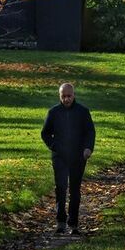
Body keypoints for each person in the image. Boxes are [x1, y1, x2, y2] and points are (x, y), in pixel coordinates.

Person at [41, 83, 96, 235]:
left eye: (69, 96)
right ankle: (60, 222)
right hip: (60, 157)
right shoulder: (53, 112)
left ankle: (74, 224)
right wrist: (54, 146)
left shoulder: (83, 112)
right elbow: (45, 133)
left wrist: (88, 148)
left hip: (78, 157)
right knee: (61, 188)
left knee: (75, 190)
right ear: (60, 96)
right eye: (63, 96)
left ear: (74, 95)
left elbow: (90, 132)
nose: (66, 99)